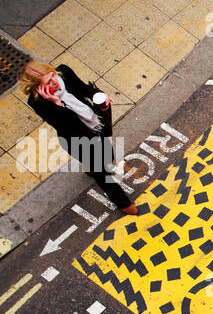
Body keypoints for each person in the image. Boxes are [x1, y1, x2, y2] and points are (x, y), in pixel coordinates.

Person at [20, 61, 136, 214]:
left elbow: (83, 88)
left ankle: (91, 168)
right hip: (76, 139)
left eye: (53, 75)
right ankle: (123, 203)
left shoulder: (64, 72)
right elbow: (68, 125)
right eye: (49, 81)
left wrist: (98, 95)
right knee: (104, 173)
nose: (55, 81)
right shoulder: (38, 103)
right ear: (38, 87)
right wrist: (57, 103)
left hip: (95, 124)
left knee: (108, 158)